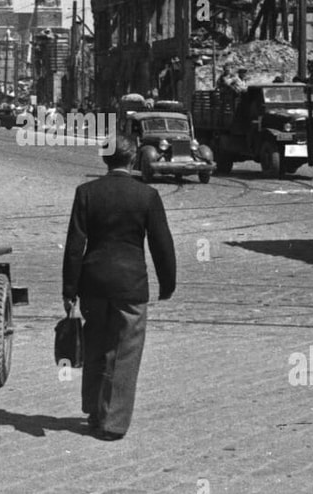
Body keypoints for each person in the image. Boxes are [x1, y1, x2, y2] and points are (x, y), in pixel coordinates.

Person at [62, 134, 176, 441]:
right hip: (131, 286)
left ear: (104, 159)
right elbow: (162, 244)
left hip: (93, 284)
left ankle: (94, 411)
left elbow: (74, 246)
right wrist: (167, 283)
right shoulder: (147, 195)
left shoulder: (86, 192)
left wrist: (69, 290)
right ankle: (112, 422)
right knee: (125, 353)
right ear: (133, 158)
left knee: (96, 347)